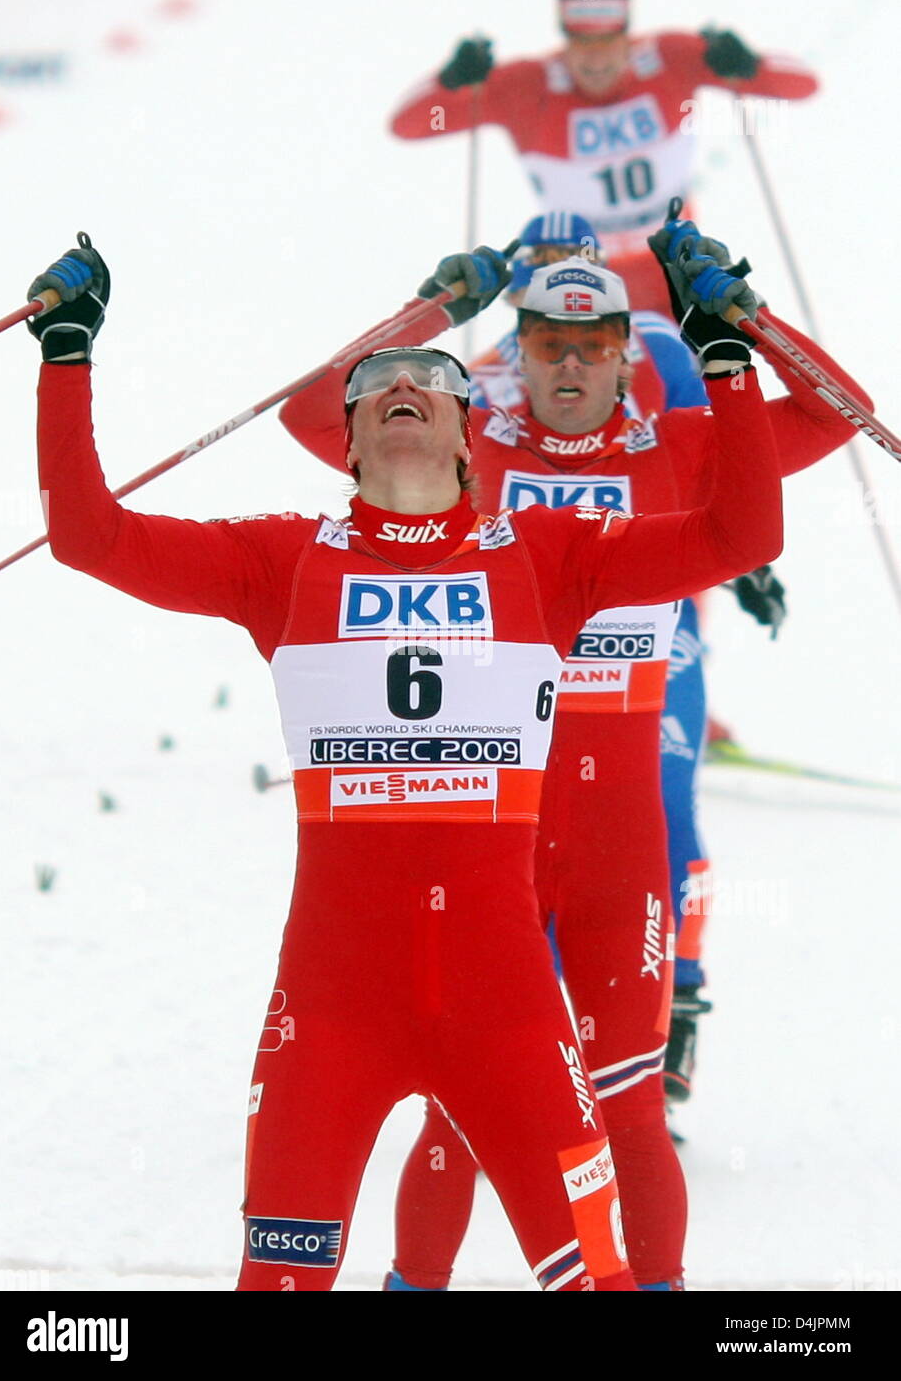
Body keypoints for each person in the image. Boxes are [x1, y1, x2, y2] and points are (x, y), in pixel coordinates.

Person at [27, 233, 784, 1292]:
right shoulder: (284, 561)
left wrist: (726, 360)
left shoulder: (543, 555)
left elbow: (741, 533)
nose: (405, 384)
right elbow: (88, 538)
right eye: (379, 382)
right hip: (329, 1013)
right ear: (348, 443)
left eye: (432, 377)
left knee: (603, 1277)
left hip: (506, 1006)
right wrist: (67, 357)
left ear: (473, 438)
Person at [281, 226, 871, 1290]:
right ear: (520, 345)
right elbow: (311, 413)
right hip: (488, 837)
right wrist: (431, 312)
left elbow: (840, 410)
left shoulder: (680, 450)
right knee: (461, 1110)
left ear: (622, 352)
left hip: (615, 834)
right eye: (546, 339)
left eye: (590, 342)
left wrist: (741, 315)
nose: (567, 363)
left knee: (630, 1101)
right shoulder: (471, 452)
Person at [469, 211, 786, 1106]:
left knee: (663, 809)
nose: (566, 282)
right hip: (533, 641)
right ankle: (541, 1047)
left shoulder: (653, 340)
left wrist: (750, 561)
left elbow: (727, 454)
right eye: (541, 269)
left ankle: (673, 1012)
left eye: (580, 263)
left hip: (657, 613)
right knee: (533, 844)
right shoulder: (499, 357)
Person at [389, 0, 818, 312]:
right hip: (579, 270)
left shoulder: (670, 57)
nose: (595, 63)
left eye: (608, 45)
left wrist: (745, 61)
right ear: (564, 36)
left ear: (627, 32)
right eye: (581, 46)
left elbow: (802, 84)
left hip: (673, 265)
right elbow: (408, 125)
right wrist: (451, 79)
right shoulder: (528, 86)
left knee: (691, 395)